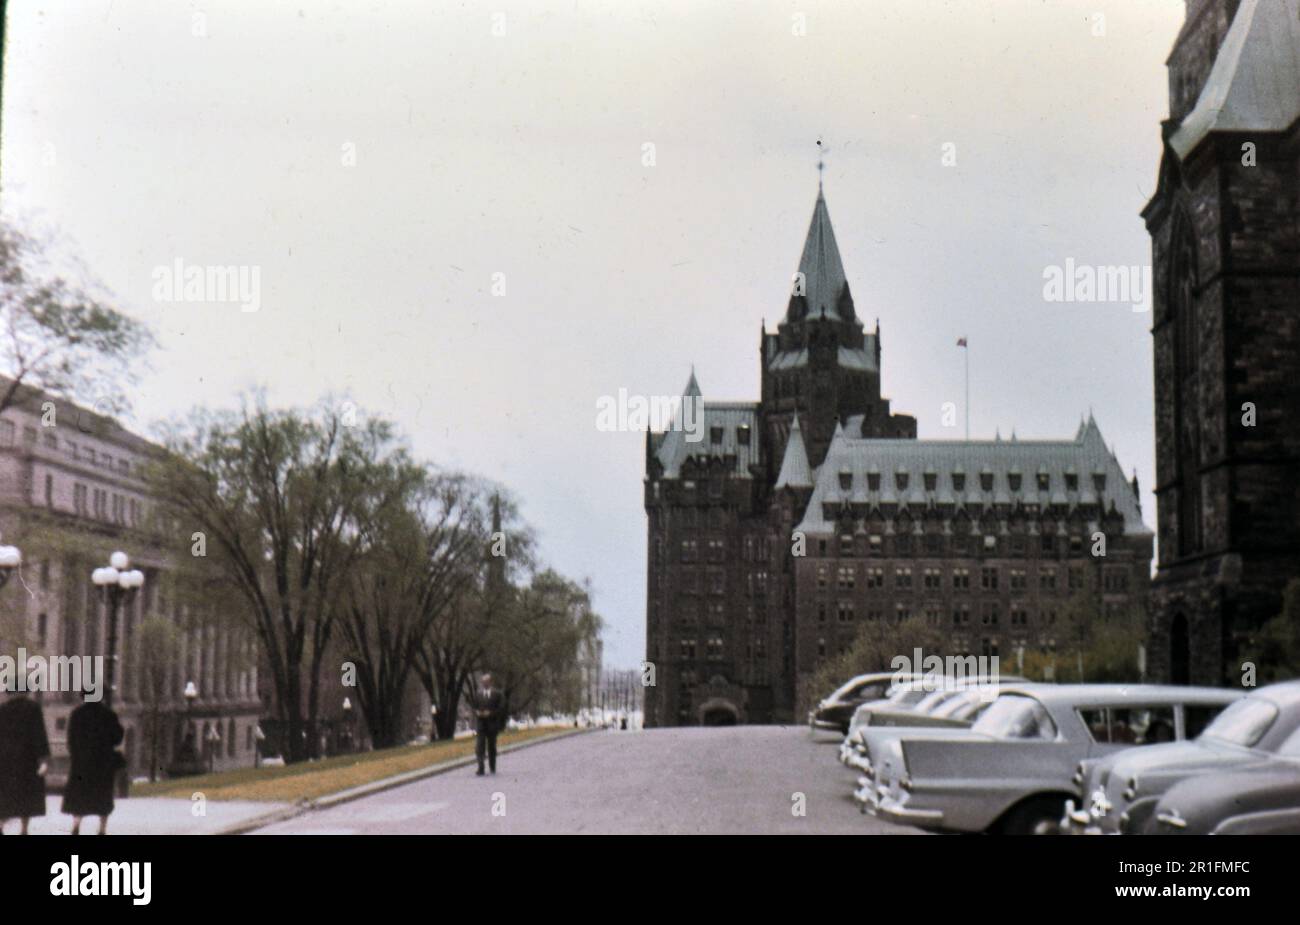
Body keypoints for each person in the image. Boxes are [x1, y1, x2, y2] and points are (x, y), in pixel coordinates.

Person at [62, 699, 125, 835]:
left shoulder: (77, 714)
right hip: (103, 763)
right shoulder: (109, 714)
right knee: (103, 798)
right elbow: (118, 737)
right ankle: (102, 828)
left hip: (82, 763)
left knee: (79, 796)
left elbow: (71, 739)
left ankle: (77, 823)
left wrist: (76, 755)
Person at [0, 685, 50, 835]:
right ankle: (24, 828)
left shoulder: (2, 709)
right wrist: (43, 759)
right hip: (27, 759)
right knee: (26, 796)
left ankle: (1, 825)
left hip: (5, 760)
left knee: (4, 795)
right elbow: (39, 735)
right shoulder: (33, 709)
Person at [474, 673, 505, 776]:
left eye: (486, 682)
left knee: (491, 746)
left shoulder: (497, 694)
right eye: (483, 682)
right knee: (479, 746)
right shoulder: (478, 694)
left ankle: (492, 766)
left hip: (492, 725)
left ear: (490, 682)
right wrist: (477, 712)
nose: (484, 683)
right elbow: (474, 707)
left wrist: (491, 713)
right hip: (481, 724)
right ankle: (481, 767)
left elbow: (501, 708)